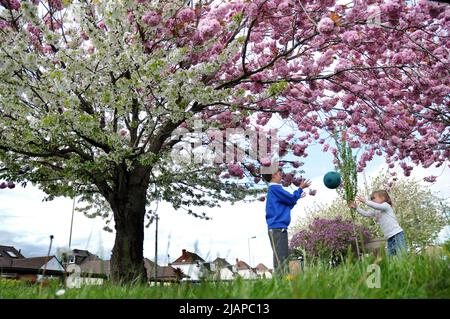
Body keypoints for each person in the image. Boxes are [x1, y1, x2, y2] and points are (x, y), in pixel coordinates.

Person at [262, 168, 311, 273]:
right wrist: (300, 188)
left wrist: (296, 197)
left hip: (279, 229)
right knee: (280, 258)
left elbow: (287, 205)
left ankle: (282, 281)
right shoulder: (275, 188)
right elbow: (291, 199)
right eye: (280, 174)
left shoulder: (274, 190)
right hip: (277, 229)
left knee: (282, 256)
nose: (281, 175)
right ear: (274, 175)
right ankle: (280, 283)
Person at [349, 190, 407, 256]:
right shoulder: (376, 210)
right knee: (391, 256)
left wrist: (365, 201)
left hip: (397, 234)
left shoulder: (386, 206)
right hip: (389, 237)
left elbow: (376, 206)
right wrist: (357, 208)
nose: (372, 200)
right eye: (371, 199)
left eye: (374, 198)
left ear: (382, 198)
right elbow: (366, 214)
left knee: (402, 254)